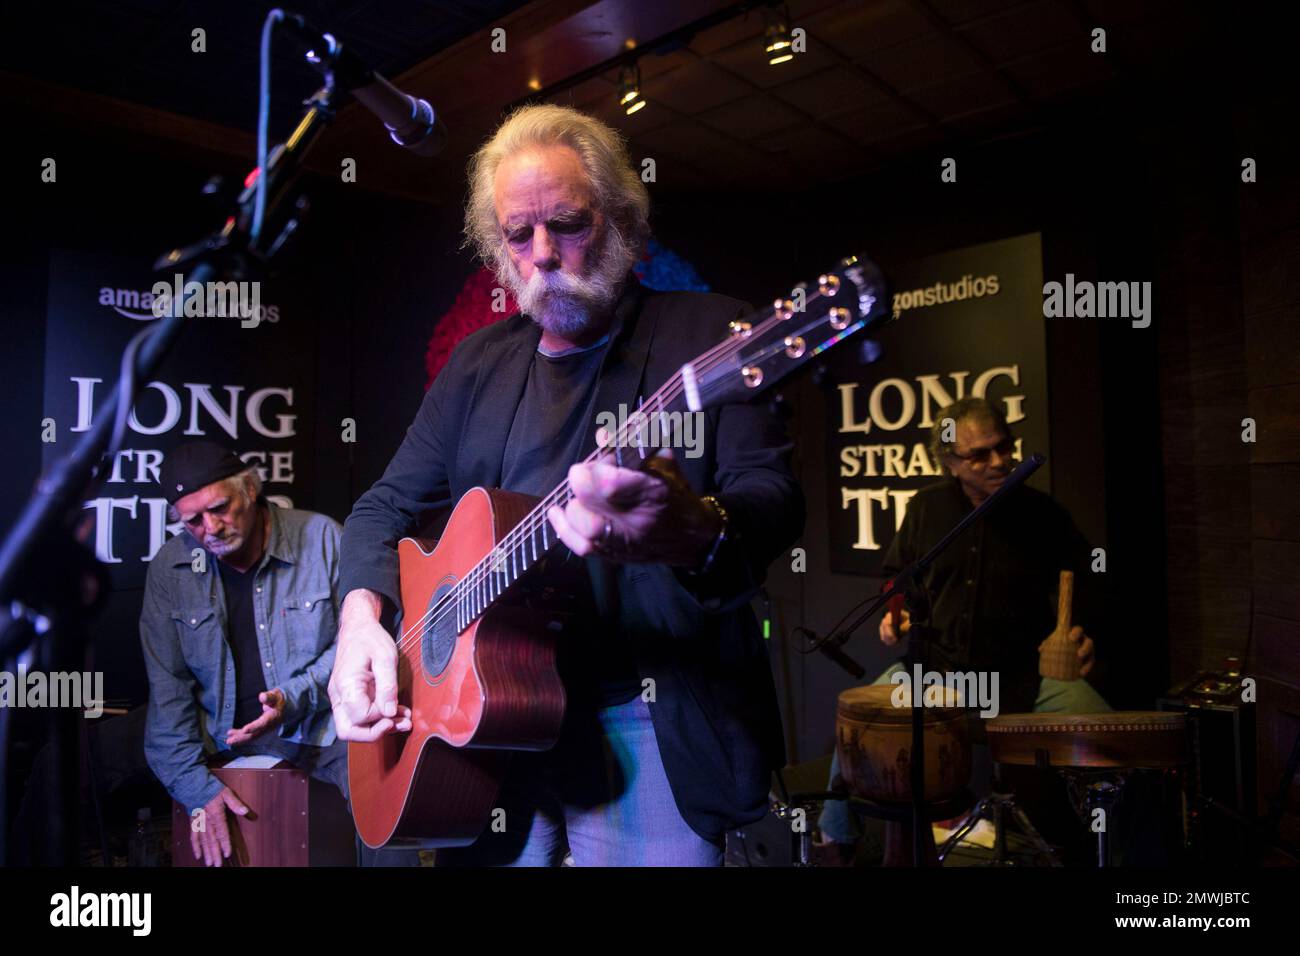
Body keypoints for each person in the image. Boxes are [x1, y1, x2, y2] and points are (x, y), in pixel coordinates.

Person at [330, 104, 804, 866]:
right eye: (519, 234)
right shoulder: (477, 365)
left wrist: (690, 529)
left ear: (620, 220)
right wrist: (360, 624)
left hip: (644, 718)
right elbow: (382, 508)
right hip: (480, 731)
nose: (543, 253)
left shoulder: (713, 336)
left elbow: (772, 503)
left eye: (569, 224)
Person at [817, 397, 1110, 851]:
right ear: (950, 462)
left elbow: (1091, 577)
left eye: (1004, 447)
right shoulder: (925, 509)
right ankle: (835, 845)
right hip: (935, 672)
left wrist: (1086, 635)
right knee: (857, 725)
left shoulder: (1043, 514)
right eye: (980, 455)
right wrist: (896, 614)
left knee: (1116, 742)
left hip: (1026, 678)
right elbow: (896, 578)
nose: (1000, 461)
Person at [140, 441, 344, 866]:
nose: (210, 528)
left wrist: (292, 698)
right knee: (66, 765)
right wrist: (198, 790)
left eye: (220, 508)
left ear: (251, 489)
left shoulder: (323, 537)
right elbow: (169, 692)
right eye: (192, 520)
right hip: (216, 732)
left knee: (383, 791)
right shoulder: (170, 568)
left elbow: (358, 645)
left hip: (317, 728)